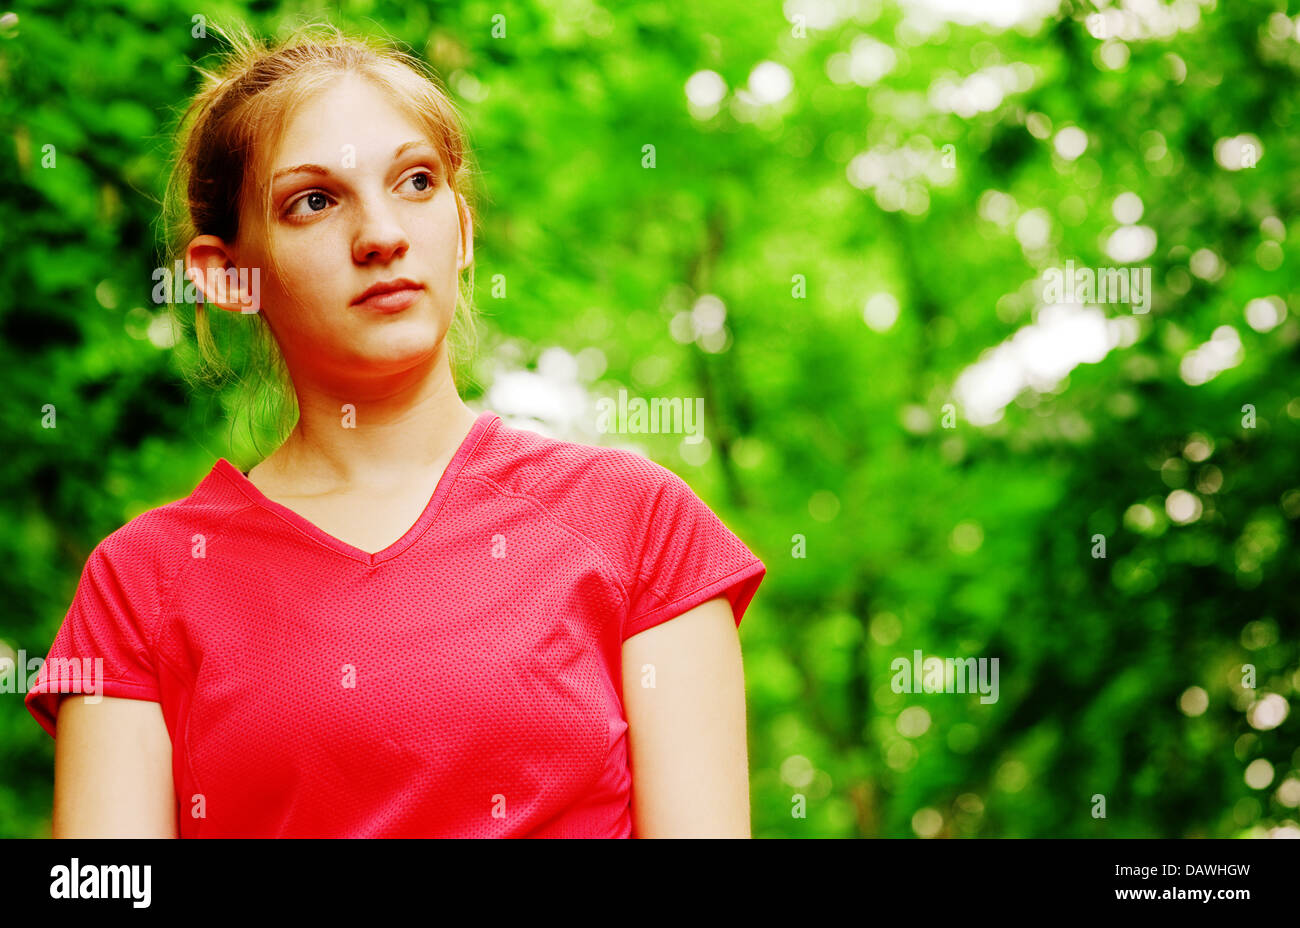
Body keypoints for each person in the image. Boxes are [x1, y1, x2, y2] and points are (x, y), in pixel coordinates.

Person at [24, 22, 766, 838]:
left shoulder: (637, 525)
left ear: (466, 230)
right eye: (314, 201)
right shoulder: (138, 587)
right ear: (226, 275)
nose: (382, 235)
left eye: (415, 182)